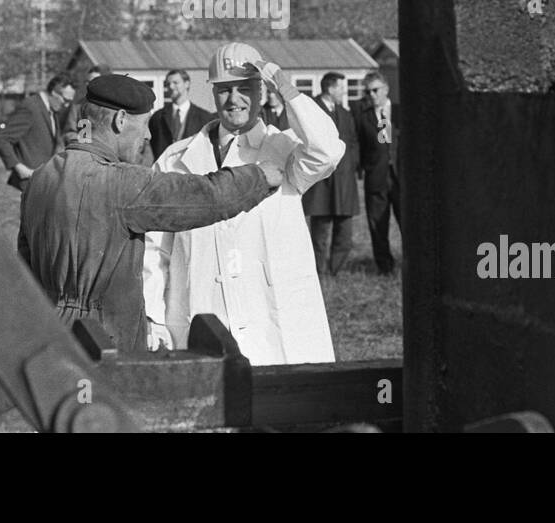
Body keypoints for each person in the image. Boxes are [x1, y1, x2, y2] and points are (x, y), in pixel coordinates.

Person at [20, 74, 281, 351]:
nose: (148, 135)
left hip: (48, 337)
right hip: (103, 341)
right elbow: (205, 197)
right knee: (101, 395)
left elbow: (23, 267)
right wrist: (259, 177)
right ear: (120, 120)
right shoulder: (121, 183)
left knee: (75, 396)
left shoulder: (41, 177)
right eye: (144, 124)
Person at [145, 42, 344, 365]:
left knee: (280, 406)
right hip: (199, 313)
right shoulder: (175, 159)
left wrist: (284, 85)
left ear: (262, 92)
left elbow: (328, 150)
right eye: (224, 89)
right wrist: (153, 316)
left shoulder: (285, 150)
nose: (234, 99)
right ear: (212, 94)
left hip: (270, 320)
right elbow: (155, 249)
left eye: (245, 89)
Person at [301, 72, 360, 276]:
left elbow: (358, 141)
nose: (344, 92)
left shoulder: (377, 114)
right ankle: (319, 271)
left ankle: (338, 269)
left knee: (345, 230)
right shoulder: (312, 108)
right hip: (324, 180)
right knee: (321, 229)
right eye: (342, 88)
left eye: (375, 91)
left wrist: (356, 164)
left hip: (351, 178)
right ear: (331, 88)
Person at [0, 74, 75, 201]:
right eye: (65, 100)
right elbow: (3, 139)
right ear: (54, 93)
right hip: (30, 182)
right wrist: (19, 167)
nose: (66, 105)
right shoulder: (31, 107)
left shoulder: (52, 110)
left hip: (44, 183)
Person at [356, 71, 401, 275]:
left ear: (386, 89)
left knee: (409, 224)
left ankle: (414, 267)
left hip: (401, 178)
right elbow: (359, 146)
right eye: (368, 91)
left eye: (375, 90)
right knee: (378, 226)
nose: (372, 95)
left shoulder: (401, 111)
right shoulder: (363, 116)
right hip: (376, 178)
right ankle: (385, 268)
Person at [147, 69, 213, 161]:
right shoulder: (157, 117)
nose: (171, 86)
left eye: (175, 83)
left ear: (187, 84)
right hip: (164, 172)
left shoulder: (204, 118)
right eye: (168, 84)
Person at [61, 64, 110, 146]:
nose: (88, 84)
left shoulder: (113, 106)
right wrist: (83, 142)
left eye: (93, 81)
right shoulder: (77, 106)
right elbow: (69, 132)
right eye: (87, 81)